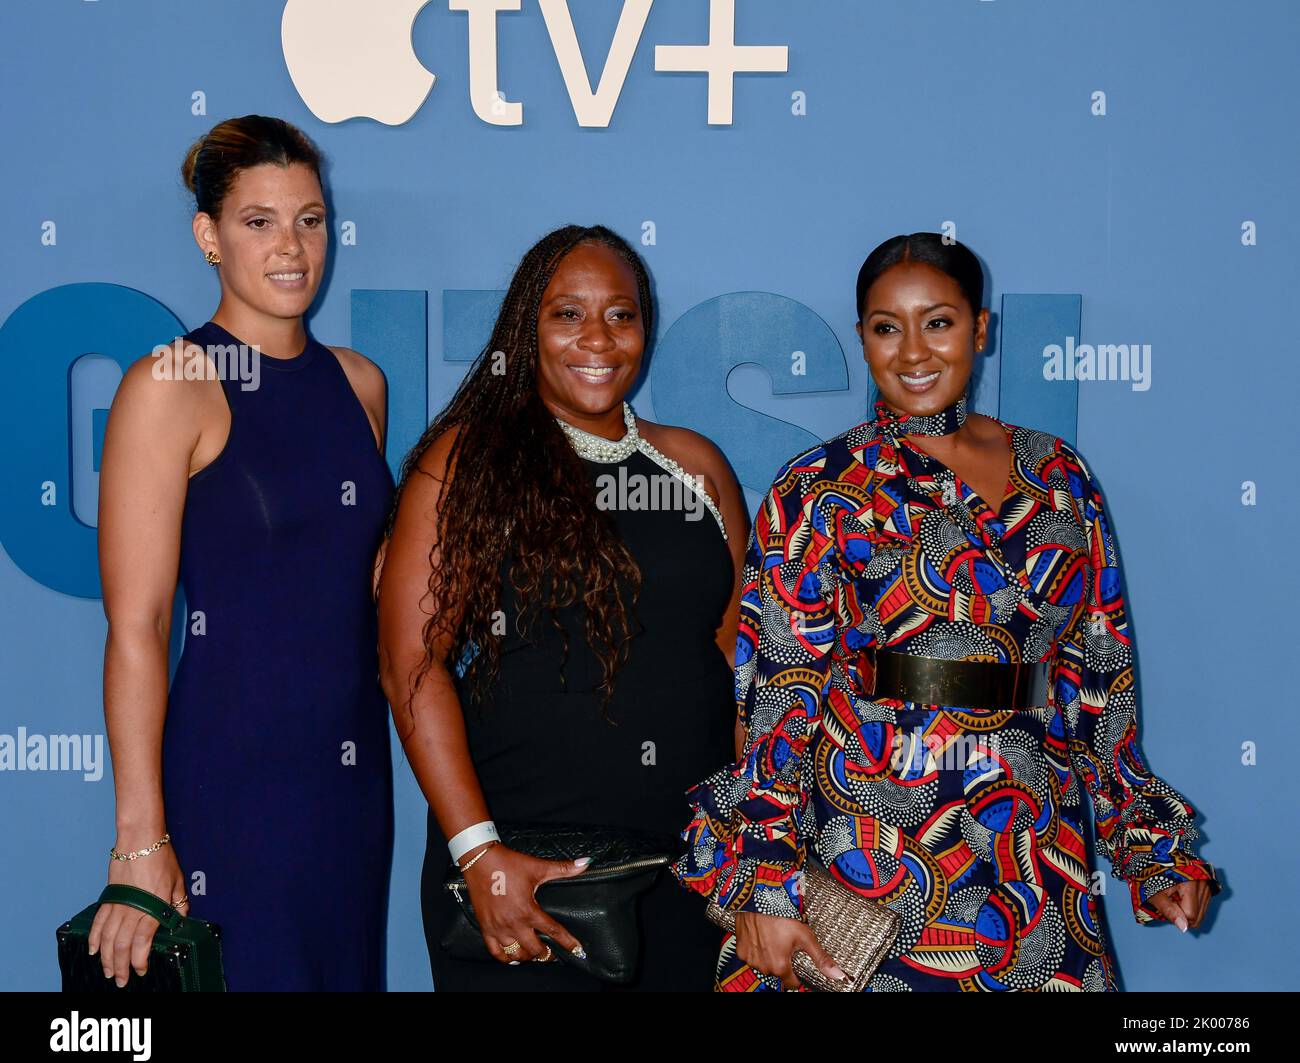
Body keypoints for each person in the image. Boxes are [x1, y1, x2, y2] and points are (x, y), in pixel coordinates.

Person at [673, 232, 1223, 992]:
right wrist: (767, 873)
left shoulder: (1059, 474)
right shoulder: (820, 487)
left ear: (981, 329)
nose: (912, 351)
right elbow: (780, 693)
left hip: (1034, 839)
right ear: (863, 337)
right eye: (885, 326)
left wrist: (1149, 847)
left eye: (938, 321)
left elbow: (1100, 679)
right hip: (880, 837)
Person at [376, 224, 747, 991]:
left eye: (621, 313)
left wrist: (752, 844)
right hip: (529, 878)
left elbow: (739, 665)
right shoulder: (469, 460)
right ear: (526, 328)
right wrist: (478, 852)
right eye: (567, 313)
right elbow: (411, 663)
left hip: (688, 873)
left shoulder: (698, 466)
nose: (599, 338)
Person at [89, 115, 394, 990]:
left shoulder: (359, 383)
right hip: (231, 778)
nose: (292, 247)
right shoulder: (169, 383)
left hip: (348, 781)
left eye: (309, 218)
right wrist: (140, 842)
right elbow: (138, 625)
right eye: (259, 221)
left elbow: (356, 583)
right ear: (209, 236)